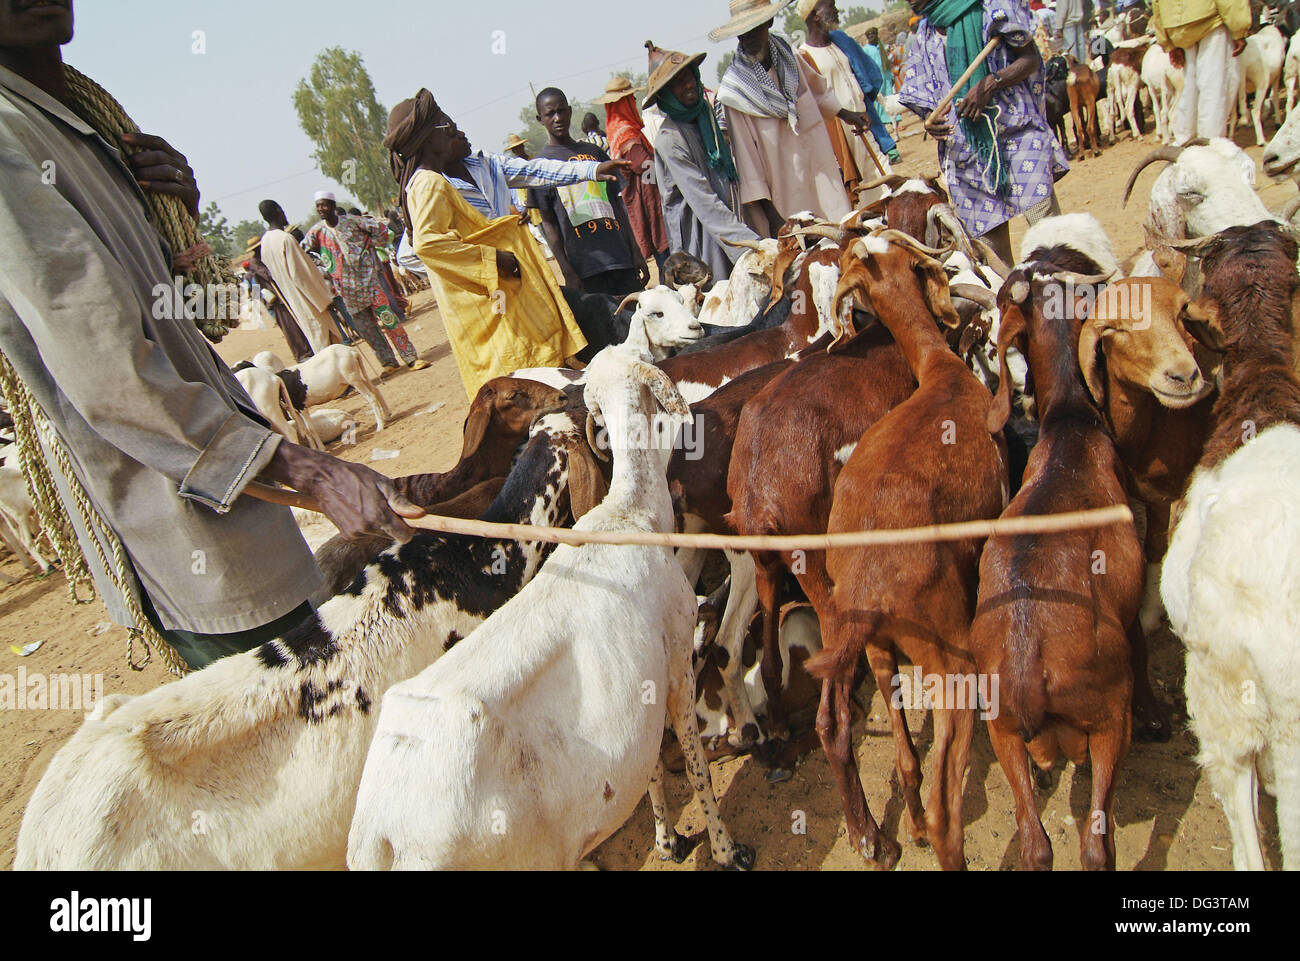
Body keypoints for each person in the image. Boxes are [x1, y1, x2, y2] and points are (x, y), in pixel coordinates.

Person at [0, 1, 423, 670]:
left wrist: (178, 229)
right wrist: (308, 468)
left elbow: (199, 320)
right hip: (192, 543)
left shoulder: (94, 133)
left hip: (252, 517)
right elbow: (112, 376)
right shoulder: (9, 140)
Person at [383, 89, 632, 398]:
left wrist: (591, 169)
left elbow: (538, 171)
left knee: (546, 356)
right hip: (493, 298)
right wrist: (480, 269)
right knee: (519, 376)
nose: (454, 132)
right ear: (428, 138)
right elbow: (425, 248)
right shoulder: (430, 185)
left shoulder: (485, 166)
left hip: (520, 286)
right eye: (445, 126)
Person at [899, 0, 1069, 265]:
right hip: (967, 156)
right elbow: (922, 96)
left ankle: (1070, 298)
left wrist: (992, 82)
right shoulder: (925, 33)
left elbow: (1030, 58)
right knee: (994, 261)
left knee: (1051, 240)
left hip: (1017, 134)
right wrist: (928, 121)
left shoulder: (992, 8)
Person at [710, 0, 867, 236]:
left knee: (841, 238)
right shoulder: (734, 93)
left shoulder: (789, 57)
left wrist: (847, 114)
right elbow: (747, 165)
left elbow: (816, 91)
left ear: (769, 22)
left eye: (754, 28)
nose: (748, 37)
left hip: (820, 172)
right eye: (742, 32)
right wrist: (774, 219)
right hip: (783, 198)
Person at [644, 40, 764, 279]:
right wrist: (750, 244)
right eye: (677, 83)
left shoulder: (705, 115)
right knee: (719, 296)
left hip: (729, 221)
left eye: (689, 76)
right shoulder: (669, 139)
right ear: (665, 95)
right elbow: (703, 201)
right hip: (701, 234)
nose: (688, 85)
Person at [530, 87, 649, 297]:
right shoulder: (541, 167)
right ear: (541, 119)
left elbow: (617, 206)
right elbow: (548, 224)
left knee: (637, 319)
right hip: (586, 268)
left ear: (570, 111)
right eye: (550, 114)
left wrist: (636, 251)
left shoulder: (594, 153)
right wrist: (567, 270)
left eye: (561, 111)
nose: (558, 118)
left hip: (620, 257)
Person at [304, 193, 429, 372]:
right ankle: (388, 362)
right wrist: (325, 267)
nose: (321, 209)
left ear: (332, 205)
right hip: (347, 291)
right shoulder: (316, 232)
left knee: (389, 320)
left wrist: (371, 243)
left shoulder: (353, 222)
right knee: (368, 330)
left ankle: (410, 358)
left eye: (324, 205)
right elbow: (305, 251)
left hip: (370, 282)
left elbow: (383, 231)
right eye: (318, 206)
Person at [796, 0, 902, 205]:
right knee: (860, 194)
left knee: (886, 179)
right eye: (830, 5)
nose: (836, 9)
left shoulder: (840, 42)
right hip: (842, 134)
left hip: (864, 123)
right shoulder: (804, 56)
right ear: (815, 15)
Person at [594, 75, 671, 277]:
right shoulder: (628, 135)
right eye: (632, 99)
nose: (635, 103)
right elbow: (644, 165)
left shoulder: (615, 132)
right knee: (665, 254)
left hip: (639, 198)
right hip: (648, 199)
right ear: (625, 103)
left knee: (661, 254)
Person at [256, 198, 347, 357]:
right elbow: (303, 275)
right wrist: (325, 300)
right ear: (278, 211)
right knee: (327, 343)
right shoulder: (285, 239)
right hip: (310, 301)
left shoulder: (266, 243)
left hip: (294, 302)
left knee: (318, 341)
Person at [1151, 0, 1250, 143]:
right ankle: (1209, 142)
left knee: (1190, 87)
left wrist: (1168, 43)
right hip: (1209, 20)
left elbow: (1156, 4)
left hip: (1176, 26)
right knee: (1213, 85)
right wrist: (1239, 29)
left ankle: (1184, 139)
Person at [244, 236, 316, 361]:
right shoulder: (255, 264)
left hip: (284, 294)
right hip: (276, 300)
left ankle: (309, 348)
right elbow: (265, 277)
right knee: (290, 327)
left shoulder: (265, 257)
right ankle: (302, 354)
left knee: (299, 323)